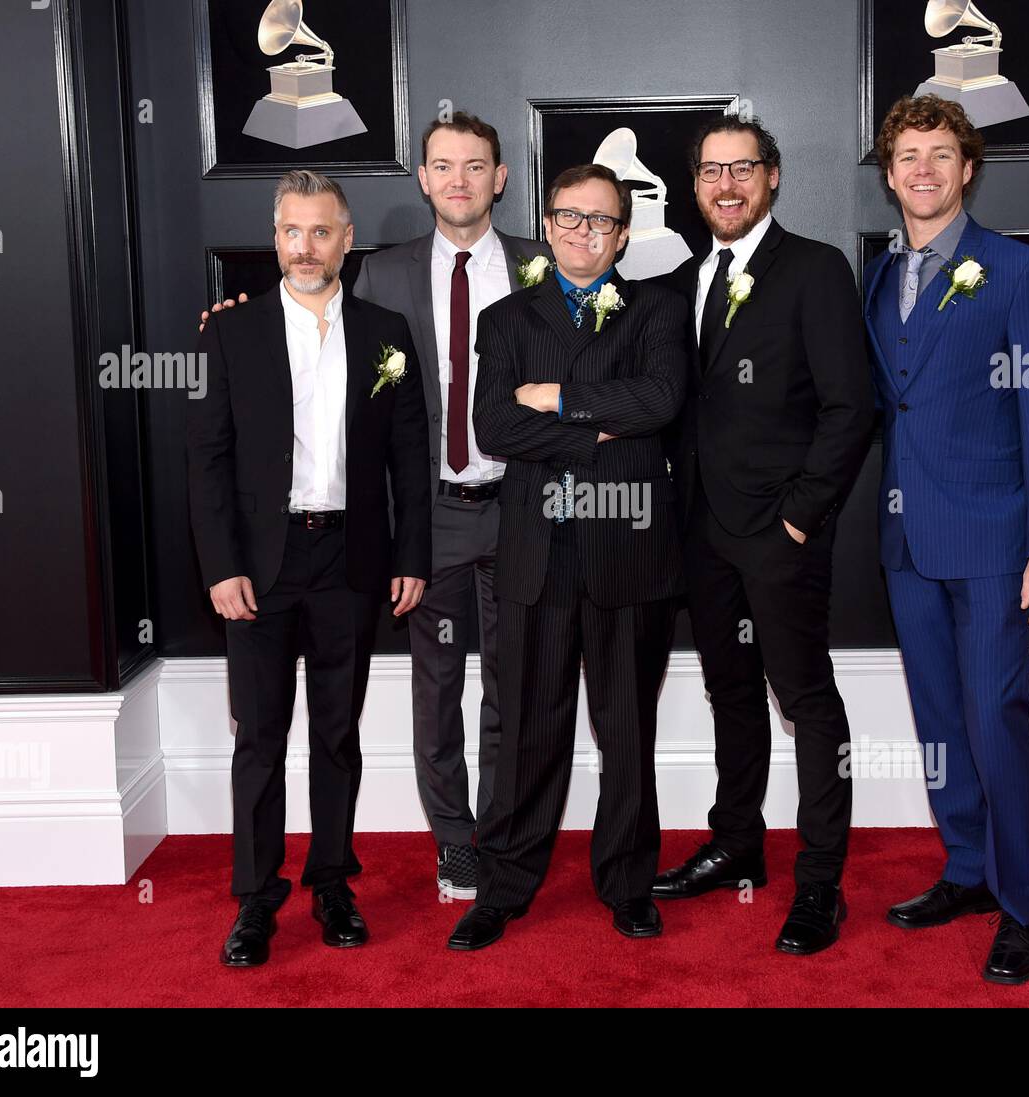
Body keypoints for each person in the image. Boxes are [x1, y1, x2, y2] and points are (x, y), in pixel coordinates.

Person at [202, 112, 549, 901]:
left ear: (500, 178)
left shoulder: (538, 265)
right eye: (442, 165)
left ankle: (501, 835)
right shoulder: (383, 276)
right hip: (430, 512)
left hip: (524, 507)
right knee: (437, 690)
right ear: (422, 179)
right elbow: (327, 363)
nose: (458, 179)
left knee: (516, 683)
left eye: (475, 165)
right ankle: (454, 841)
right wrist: (229, 326)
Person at [188, 170, 430, 967]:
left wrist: (410, 555)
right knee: (259, 736)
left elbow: (408, 455)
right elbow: (209, 462)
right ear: (275, 238)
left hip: (350, 560)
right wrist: (221, 566)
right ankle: (257, 901)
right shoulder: (231, 332)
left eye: (320, 231)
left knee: (337, 732)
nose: (304, 247)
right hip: (260, 564)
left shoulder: (388, 332)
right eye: (291, 231)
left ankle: (332, 883)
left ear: (347, 239)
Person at [864, 95, 1029, 984]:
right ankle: (966, 870)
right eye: (908, 155)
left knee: (996, 723)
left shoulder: (1020, 272)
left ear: (968, 167)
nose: (923, 170)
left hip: (996, 544)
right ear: (888, 173)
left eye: (940, 155)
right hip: (907, 538)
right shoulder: (877, 276)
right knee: (941, 722)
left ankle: (1023, 901)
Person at [446, 164, 689, 950]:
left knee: (627, 732)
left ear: (624, 233)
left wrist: (553, 397)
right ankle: (505, 884)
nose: (585, 232)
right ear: (548, 225)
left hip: (631, 555)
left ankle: (627, 883)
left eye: (602, 221)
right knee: (528, 731)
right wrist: (597, 429)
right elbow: (494, 430)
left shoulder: (658, 309)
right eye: (570, 218)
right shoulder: (508, 317)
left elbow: (659, 403)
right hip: (536, 558)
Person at [652, 116, 875, 957]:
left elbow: (851, 407)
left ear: (773, 177)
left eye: (743, 168)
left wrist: (799, 515)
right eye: (712, 171)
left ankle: (821, 882)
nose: (727, 184)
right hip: (700, 533)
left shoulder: (815, 269)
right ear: (696, 184)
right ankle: (736, 841)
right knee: (731, 694)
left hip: (780, 535)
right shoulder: (680, 282)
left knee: (806, 701)